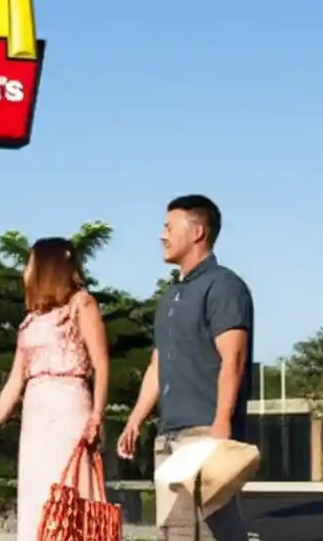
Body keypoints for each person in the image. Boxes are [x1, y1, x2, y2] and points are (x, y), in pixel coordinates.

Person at [117, 195, 254, 541]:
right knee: (175, 531)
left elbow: (233, 359)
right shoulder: (171, 297)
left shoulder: (223, 286)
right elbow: (158, 362)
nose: (161, 235)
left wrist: (221, 425)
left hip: (205, 432)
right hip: (169, 435)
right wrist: (135, 420)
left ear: (197, 232)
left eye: (168, 227)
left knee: (214, 531)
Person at [0, 237, 110, 541]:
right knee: (38, 497)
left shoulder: (82, 304)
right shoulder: (30, 321)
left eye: (29, 264)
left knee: (68, 492)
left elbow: (101, 364)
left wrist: (97, 415)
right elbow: (15, 380)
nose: (25, 272)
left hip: (69, 404)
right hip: (36, 413)